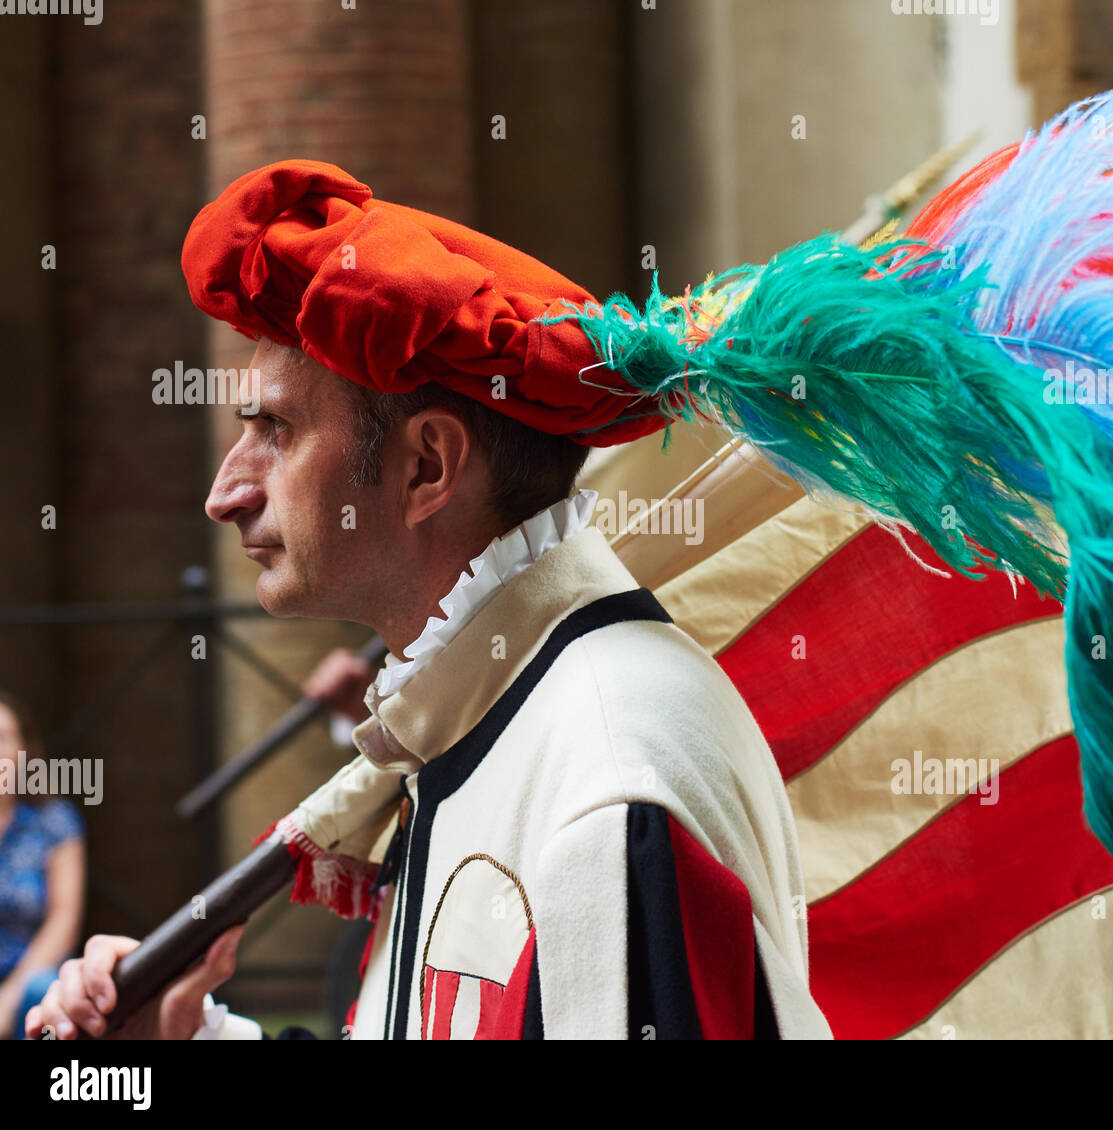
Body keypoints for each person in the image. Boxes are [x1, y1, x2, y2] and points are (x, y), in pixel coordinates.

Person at [27, 160, 832, 1039]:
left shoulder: (609, 781)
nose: (226, 493)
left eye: (276, 431)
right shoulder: (492, 712)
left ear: (426, 468)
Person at [0, 691, 85, 1039]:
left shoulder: (53, 821)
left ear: (24, 751)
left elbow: (63, 920)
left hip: (30, 976)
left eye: (2, 738)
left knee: (43, 992)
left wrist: (8, 999)